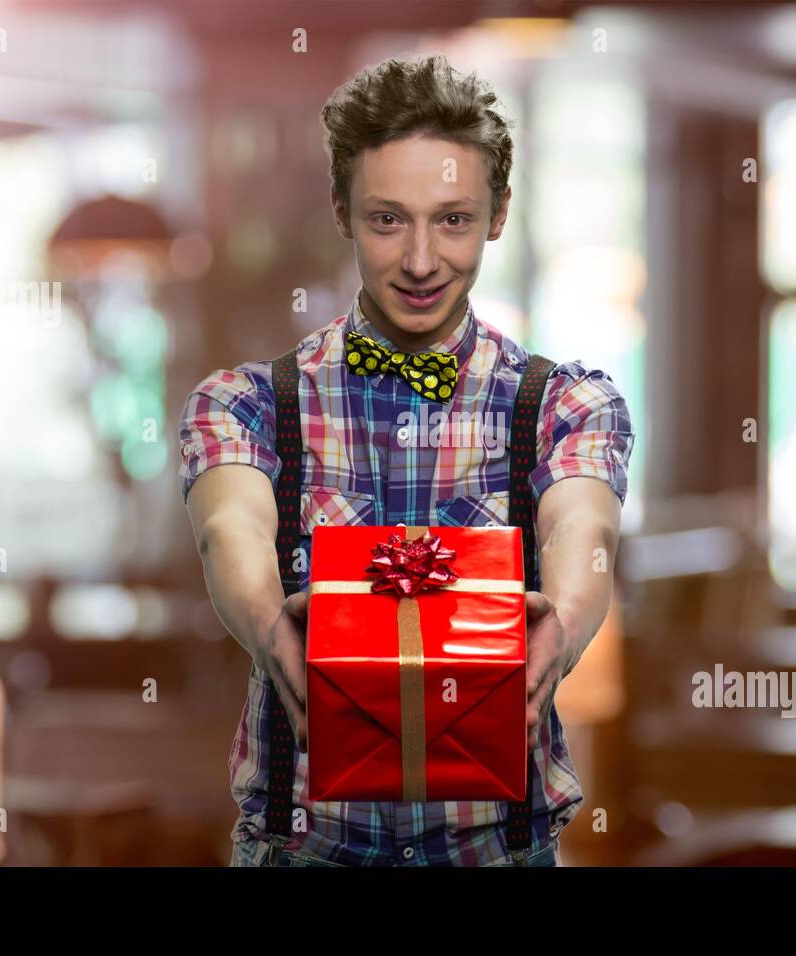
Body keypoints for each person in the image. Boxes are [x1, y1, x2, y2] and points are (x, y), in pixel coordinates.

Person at [179, 54, 634, 867]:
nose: (421, 260)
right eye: (388, 220)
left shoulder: (567, 406)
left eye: (452, 220)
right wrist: (265, 625)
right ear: (342, 212)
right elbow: (229, 526)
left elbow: (584, 522)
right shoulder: (245, 402)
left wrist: (560, 624)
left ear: (498, 215)